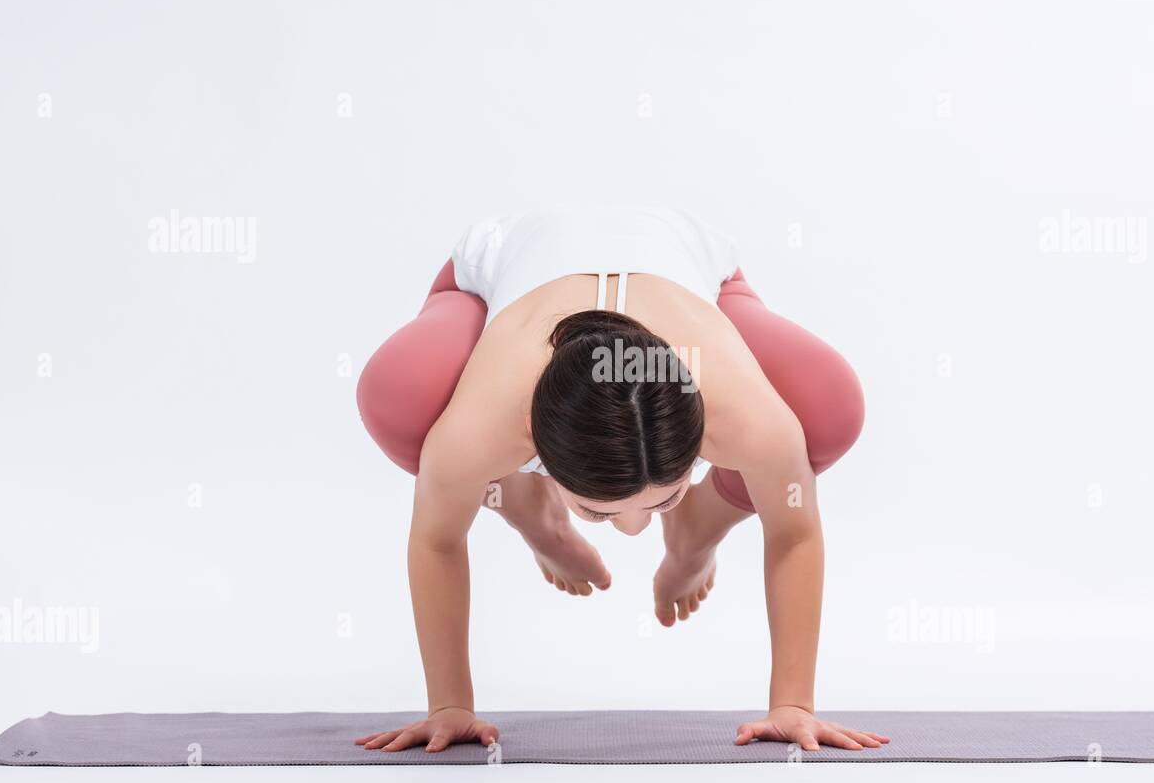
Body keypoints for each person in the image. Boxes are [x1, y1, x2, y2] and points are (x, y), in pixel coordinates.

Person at [353, 206, 888, 754]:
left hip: (684, 259)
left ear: (705, 440)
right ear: (535, 450)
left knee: (828, 411)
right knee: (401, 399)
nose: (632, 531)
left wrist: (793, 705)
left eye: (667, 498)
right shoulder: (483, 427)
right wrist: (450, 705)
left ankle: (697, 527)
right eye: (600, 512)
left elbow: (795, 531)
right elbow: (437, 539)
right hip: (499, 272)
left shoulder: (746, 416)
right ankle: (533, 515)